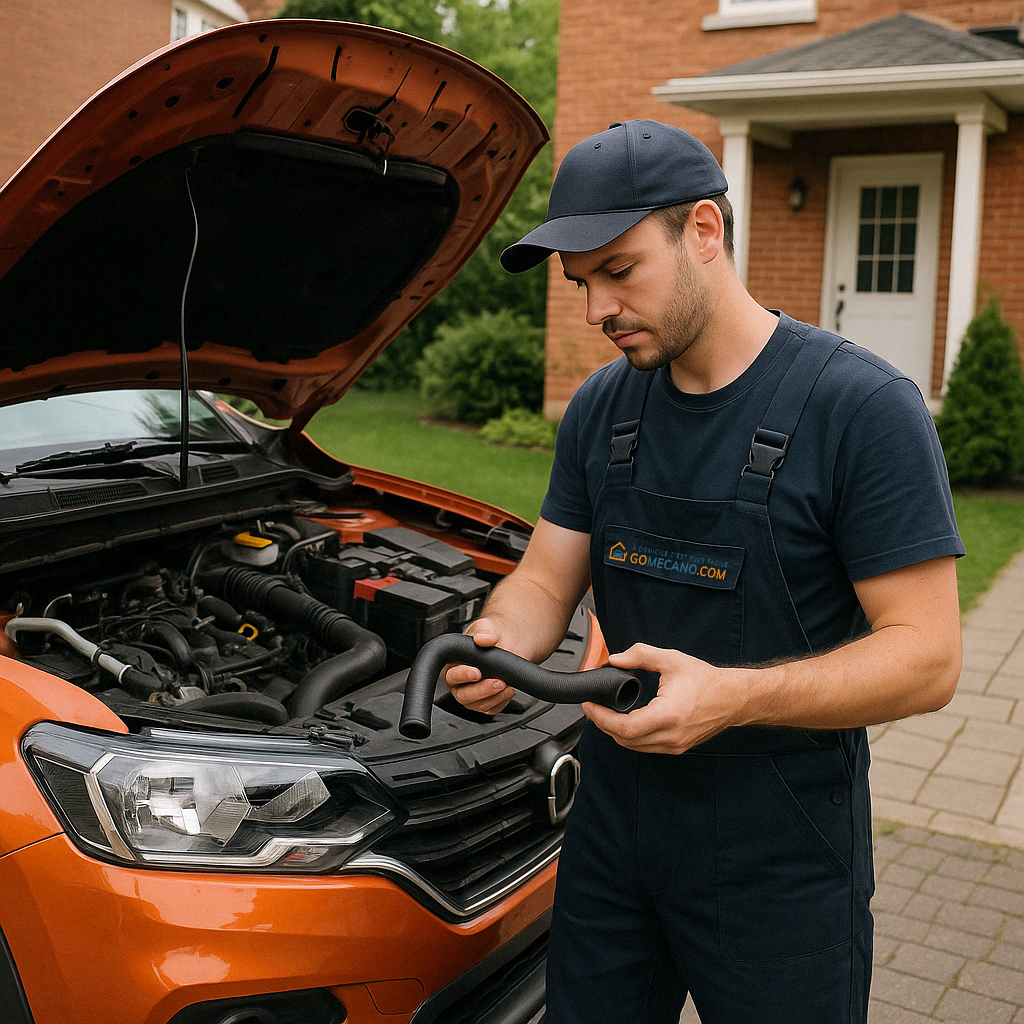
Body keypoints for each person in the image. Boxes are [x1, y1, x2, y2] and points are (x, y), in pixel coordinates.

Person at [444, 119, 964, 1024]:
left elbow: (929, 659)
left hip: (780, 852)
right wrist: (499, 642)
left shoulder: (863, 410)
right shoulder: (604, 407)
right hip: (614, 829)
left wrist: (729, 697)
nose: (598, 308)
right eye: (582, 283)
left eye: (619, 270)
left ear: (704, 231)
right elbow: (543, 580)